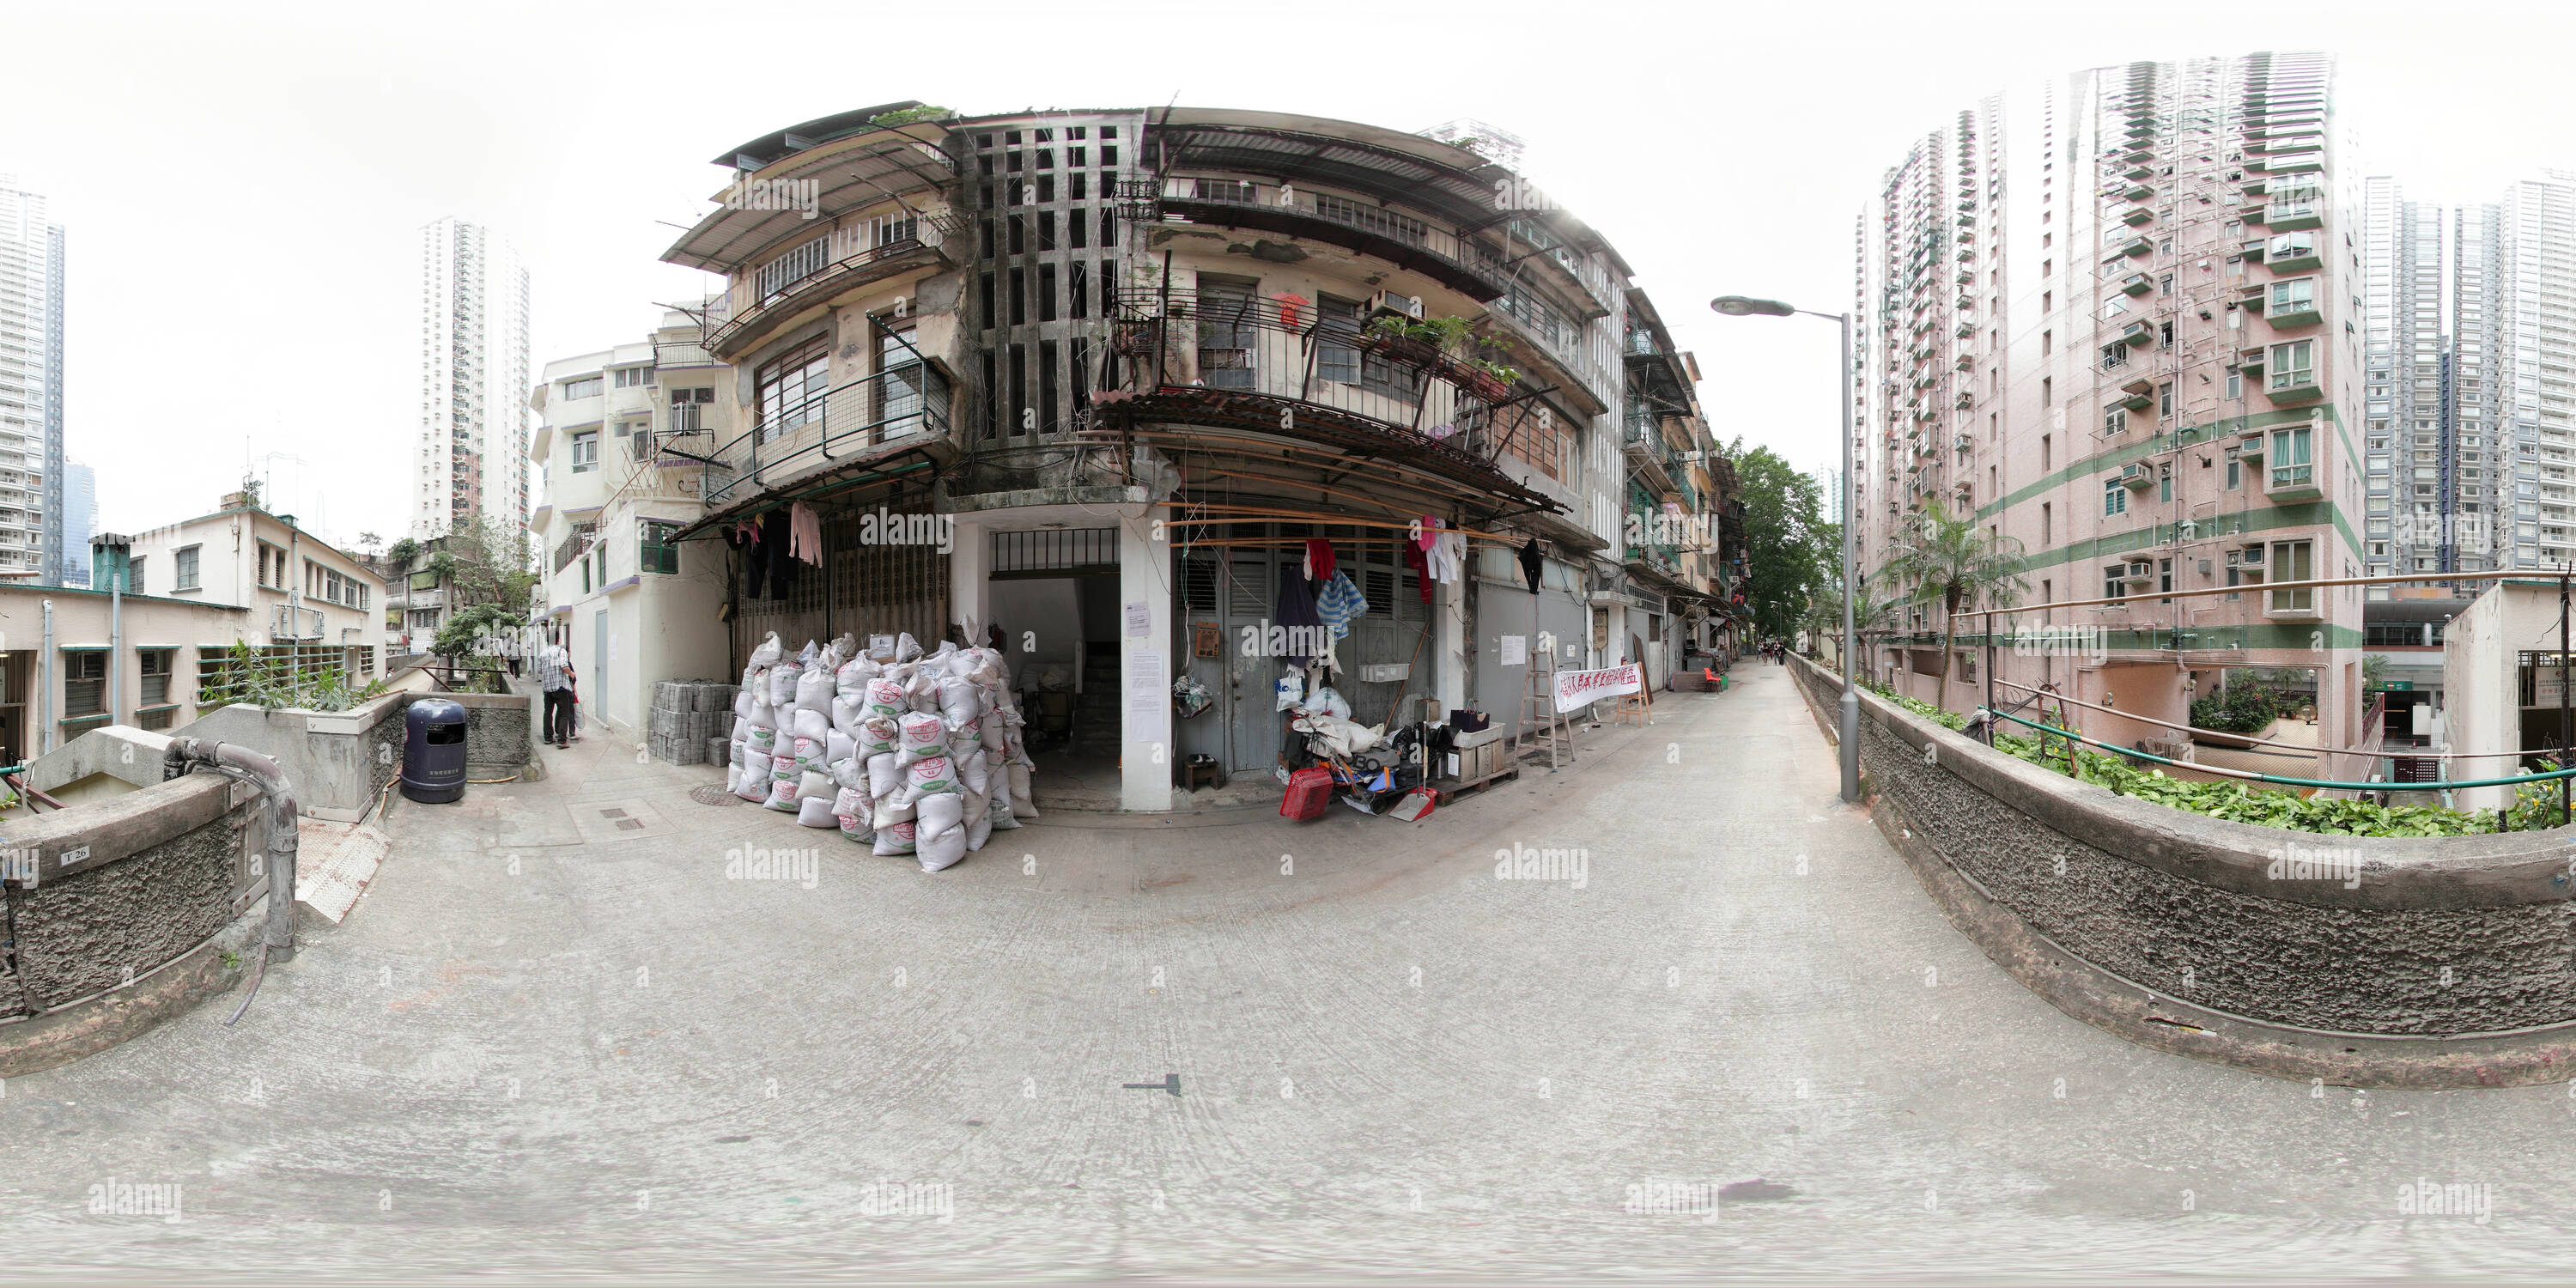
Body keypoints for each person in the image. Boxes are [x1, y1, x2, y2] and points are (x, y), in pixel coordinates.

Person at [537, 638, 574, 748]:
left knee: (548, 712)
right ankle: (562, 741)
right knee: (564, 713)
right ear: (558, 639)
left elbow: (540, 671)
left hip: (547, 689)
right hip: (560, 687)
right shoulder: (561, 651)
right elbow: (564, 666)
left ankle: (548, 738)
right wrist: (571, 674)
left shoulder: (542, 654)